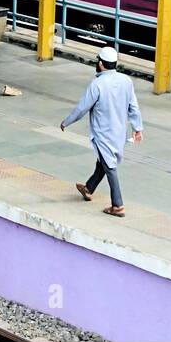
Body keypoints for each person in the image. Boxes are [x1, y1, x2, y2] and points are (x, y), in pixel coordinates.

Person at [62, 46, 143, 218]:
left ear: (100, 63)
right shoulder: (126, 81)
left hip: (103, 134)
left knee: (109, 166)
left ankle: (118, 205)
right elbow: (133, 107)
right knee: (104, 161)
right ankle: (89, 188)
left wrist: (66, 122)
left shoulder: (97, 84)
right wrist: (138, 128)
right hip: (119, 133)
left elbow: (82, 108)